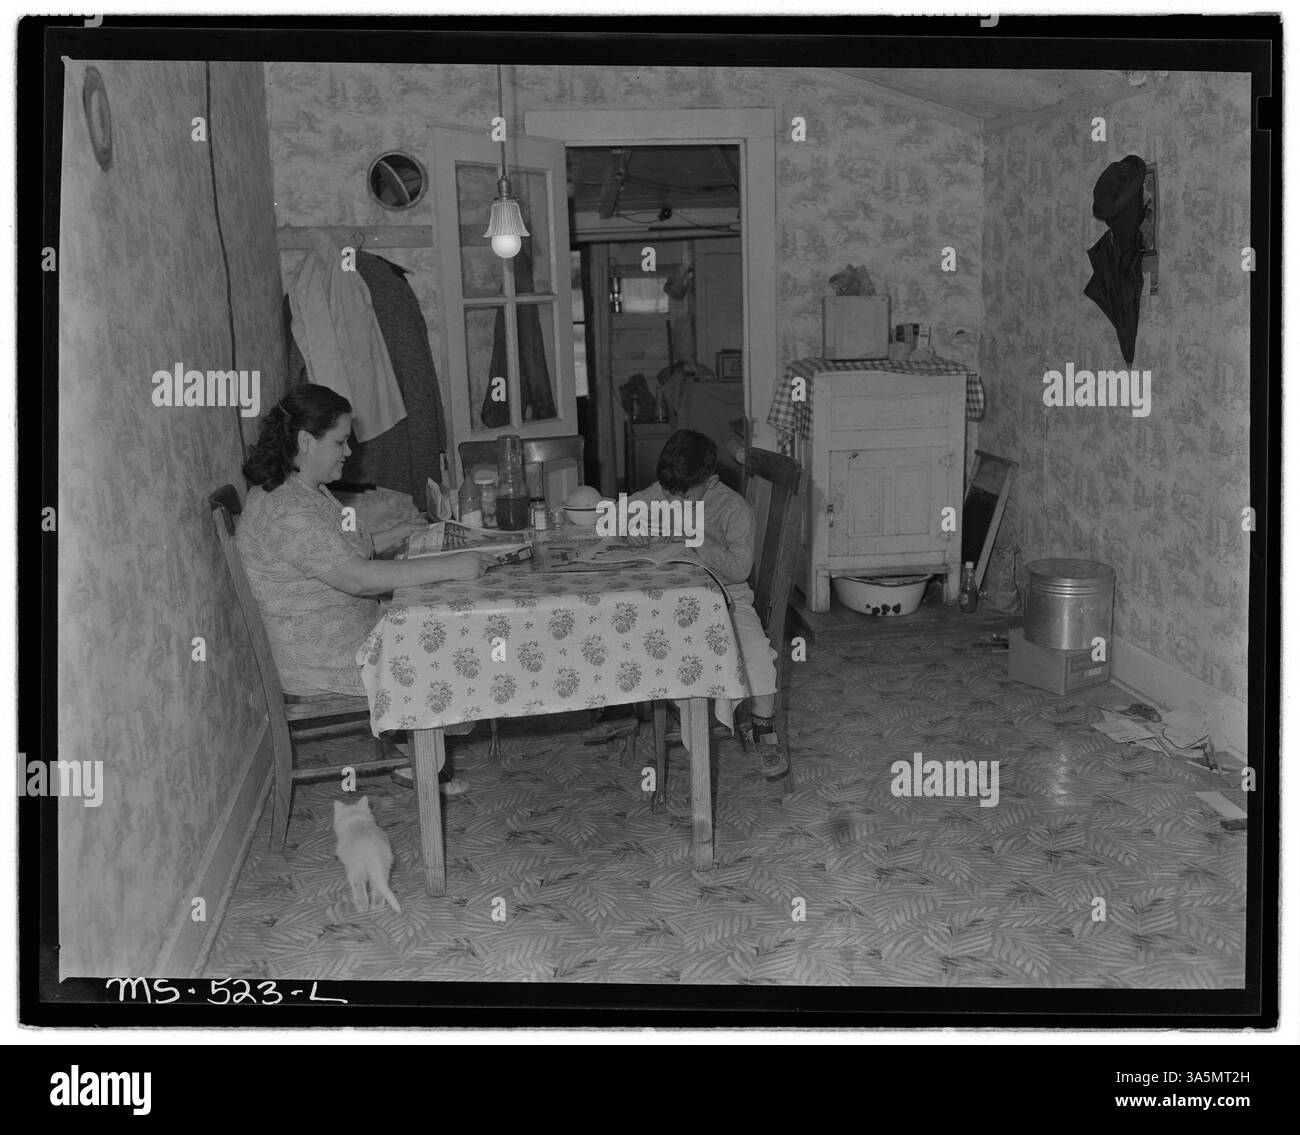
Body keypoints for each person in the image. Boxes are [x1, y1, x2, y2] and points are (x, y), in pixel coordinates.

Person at [237, 384, 491, 793]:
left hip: (349, 630)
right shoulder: (286, 512)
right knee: (446, 645)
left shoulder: (302, 491)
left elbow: (338, 547)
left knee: (443, 620)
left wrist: (397, 531)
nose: (349, 451)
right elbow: (356, 577)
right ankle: (424, 762)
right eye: (339, 441)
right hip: (324, 657)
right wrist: (454, 566)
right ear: (305, 441)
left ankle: (422, 744)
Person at [626, 429, 787, 778]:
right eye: (669, 492)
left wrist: (695, 540)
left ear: (710, 482)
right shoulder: (662, 493)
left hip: (728, 597)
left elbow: (740, 568)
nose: (673, 500)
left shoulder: (732, 509)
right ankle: (653, 708)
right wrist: (633, 527)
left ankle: (764, 727)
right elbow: (631, 513)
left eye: (684, 495)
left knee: (755, 651)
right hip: (669, 600)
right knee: (655, 642)